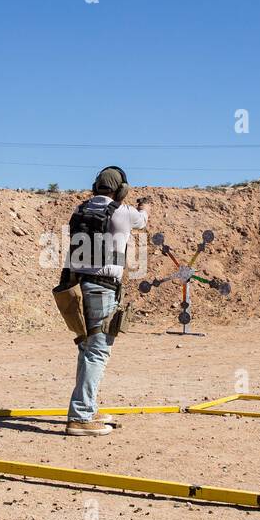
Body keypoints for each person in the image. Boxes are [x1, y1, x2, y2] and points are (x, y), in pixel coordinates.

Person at [63, 166, 149, 436]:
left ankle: (87, 407)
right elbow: (143, 221)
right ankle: (80, 416)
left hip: (76, 287)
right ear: (121, 190)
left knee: (86, 348)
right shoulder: (123, 213)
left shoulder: (79, 210)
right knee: (98, 351)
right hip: (102, 289)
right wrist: (144, 207)